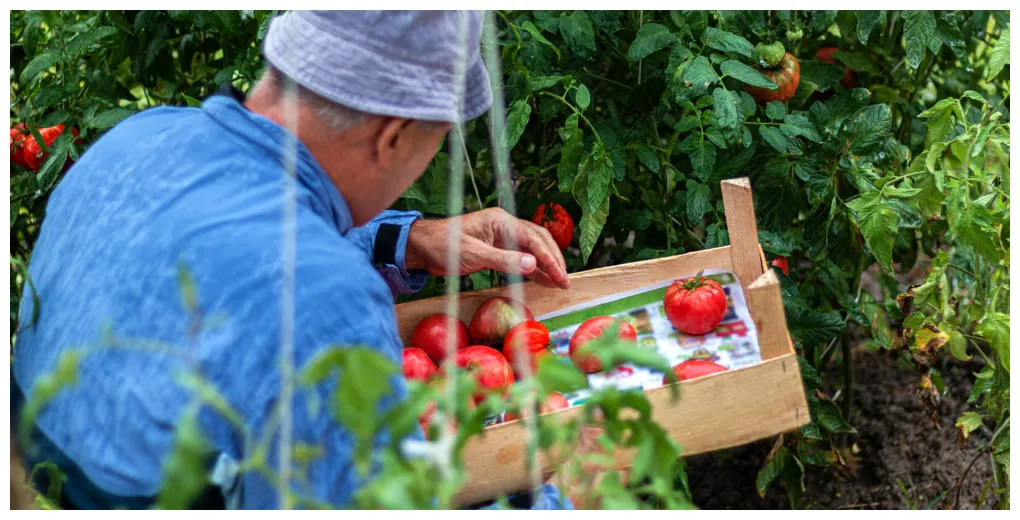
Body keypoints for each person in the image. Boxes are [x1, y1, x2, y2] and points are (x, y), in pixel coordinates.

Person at [11, 11, 581, 509]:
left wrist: (409, 240)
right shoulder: (328, 303)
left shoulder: (137, 140)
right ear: (393, 134)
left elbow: (235, 254)